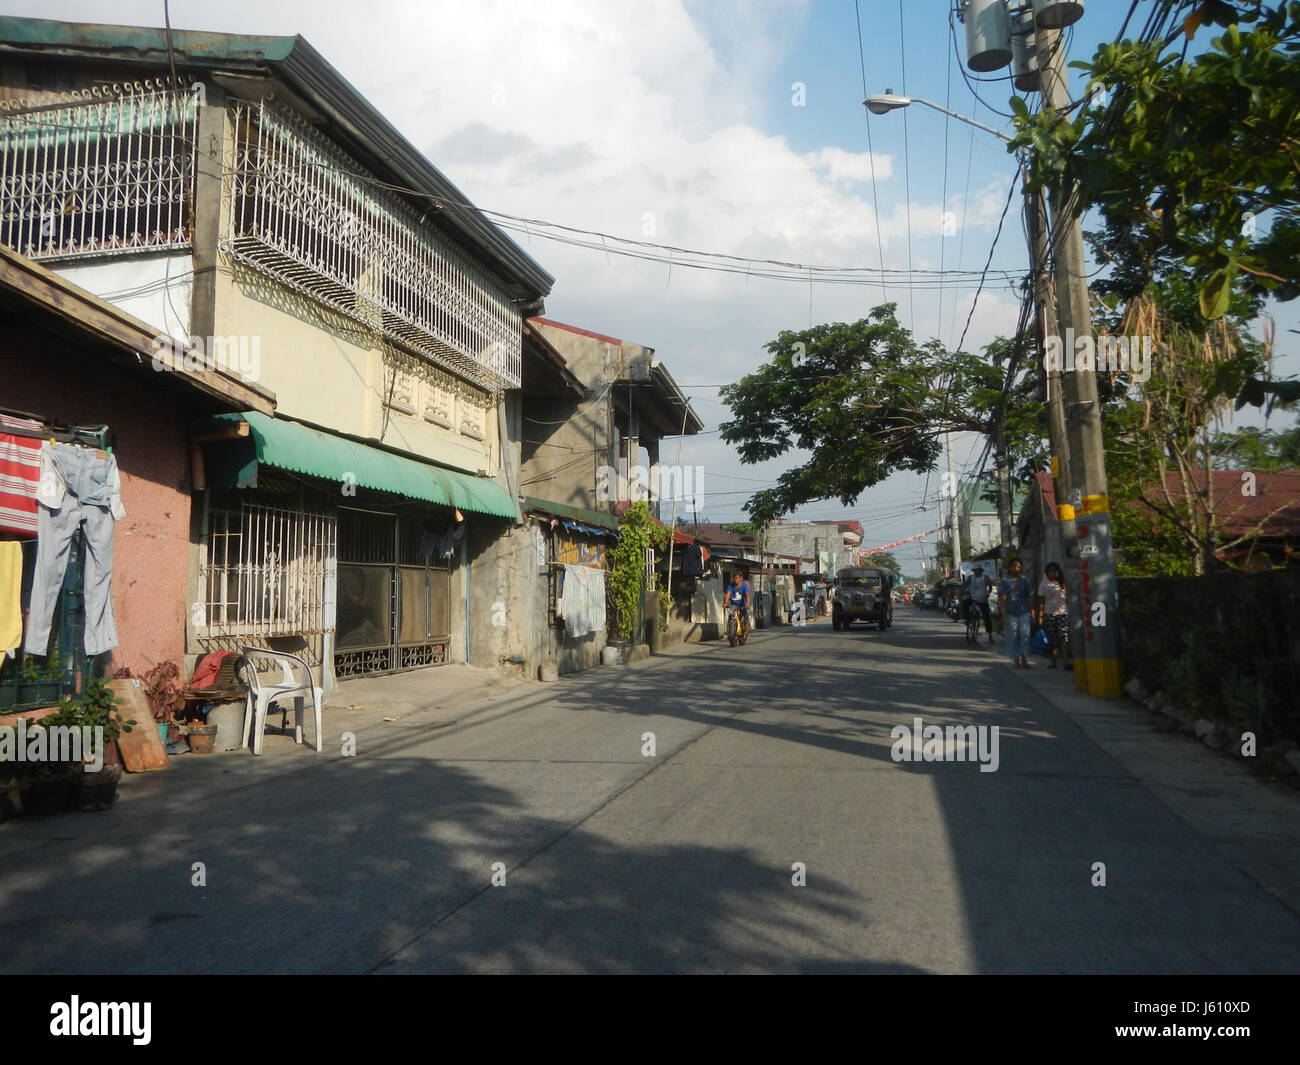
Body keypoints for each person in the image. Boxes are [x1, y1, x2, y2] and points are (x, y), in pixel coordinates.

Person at [998, 557, 1035, 669]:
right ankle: (1016, 660)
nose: (1016, 568)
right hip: (1010, 613)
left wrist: (1033, 612)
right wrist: (1003, 613)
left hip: (1024, 612)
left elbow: (1029, 597)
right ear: (1010, 567)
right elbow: (1002, 598)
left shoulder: (1025, 581)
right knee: (1013, 635)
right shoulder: (1005, 581)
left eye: (1018, 566)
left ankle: (1024, 659)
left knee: (1025, 635)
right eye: (1014, 566)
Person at [1035, 561, 1071, 670]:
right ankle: (1054, 661)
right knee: (1052, 638)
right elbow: (1041, 602)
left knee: (1064, 637)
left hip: (1063, 613)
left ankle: (1065, 662)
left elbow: (1068, 598)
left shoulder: (1063, 583)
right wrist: (1040, 616)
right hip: (1049, 613)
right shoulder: (1044, 584)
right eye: (1050, 571)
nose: (1052, 573)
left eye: (1054, 571)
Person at [968, 566, 993, 643]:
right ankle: (966, 618)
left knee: (986, 617)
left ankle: (990, 634)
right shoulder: (970, 577)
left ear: (981, 571)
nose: (977, 572)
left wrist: (988, 593)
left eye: (978, 570)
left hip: (982, 599)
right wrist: (962, 593)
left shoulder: (985, 577)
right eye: (975, 570)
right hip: (973, 598)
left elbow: (990, 587)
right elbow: (964, 585)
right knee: (965, 604)